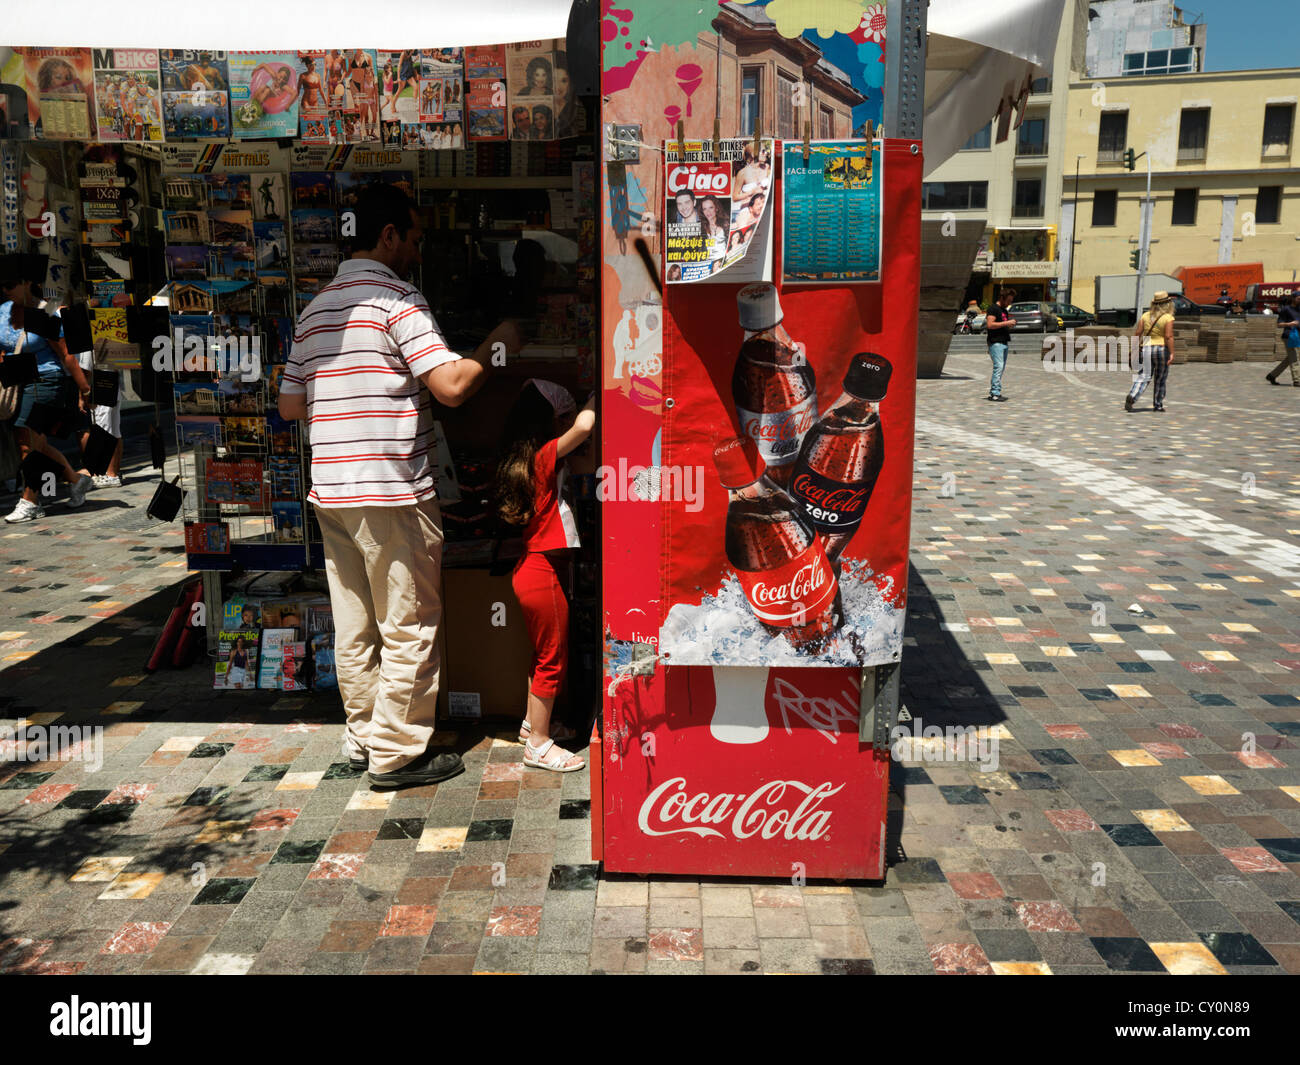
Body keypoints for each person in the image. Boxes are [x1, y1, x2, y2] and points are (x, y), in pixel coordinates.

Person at [277, 183, 522, 789]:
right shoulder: (396, 299)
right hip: (390, 490)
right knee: (409, 621)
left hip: (331, 492)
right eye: (412, 237)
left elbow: (288, 406)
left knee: (355, 623)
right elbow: (451, 387)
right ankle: (397, 753)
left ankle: (365, 736)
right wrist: (499, 347)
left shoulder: (316, 310)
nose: (416, 248)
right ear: (388, 236)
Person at [494, 381, 596, 771]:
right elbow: (585, 428)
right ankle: (538, 743)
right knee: (552, 659)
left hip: (535, 567)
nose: (566, 422)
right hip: (542, 568)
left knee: (544, 656)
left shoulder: (534, 460)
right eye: (560, 417)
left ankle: (532, 725)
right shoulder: (543, 456)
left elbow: (585, 455)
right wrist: (598, 394)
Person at [1, 259, 94, 522]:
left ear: (27, 284)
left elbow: (66, 354)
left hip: (45, 382)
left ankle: (30, 502)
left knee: (31, 444)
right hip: (15, 383)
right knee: (28, 445)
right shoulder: (3, 311)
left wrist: (84, 389)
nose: (6, 290)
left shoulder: (46, 312)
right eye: (2, 286)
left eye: (11, 285)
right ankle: (76, 480)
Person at [1126, 290, 1176, 412]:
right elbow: (1169, 336)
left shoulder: (1145, 316)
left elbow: (1138, 333)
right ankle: (1158, 405)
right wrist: (1172, 353)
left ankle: (1133, 395)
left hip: (1147, 347)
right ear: (1167, 304)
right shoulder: (1168, 317)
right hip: (1161, 348)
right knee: (1160, 378)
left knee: (1144, 376)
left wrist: (1133, 349)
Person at [984, 287, 1017, 401]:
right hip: (995, 342)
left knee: (1001, 368)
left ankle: (996, 391)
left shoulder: (1004, 310)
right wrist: (1006, 322)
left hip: (1003, 341)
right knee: (998, 367)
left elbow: (1001, 324)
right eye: (1008, 301)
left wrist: (1008, 325)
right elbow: (990, 324)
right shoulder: (993, 309)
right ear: (1002, 298)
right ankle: (994, 393)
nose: (1009, 303)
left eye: (1011, 301)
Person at [1266, 292, 1300, 386]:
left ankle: (1272, 375)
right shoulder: (1286, 309)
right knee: (1295, 358)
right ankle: (1297, 380)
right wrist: (1290, 324)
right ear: (1293, 298)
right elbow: (1279, 324)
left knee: (1291, 358)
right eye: (1298, 298)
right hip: (1290, 336)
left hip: (1298, 336)